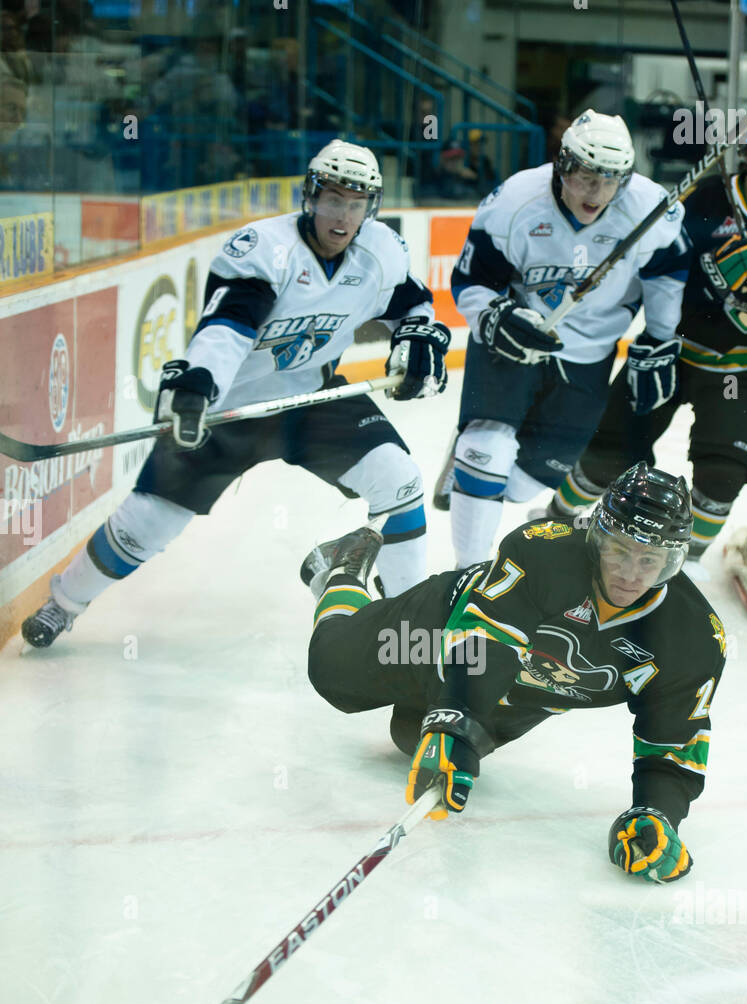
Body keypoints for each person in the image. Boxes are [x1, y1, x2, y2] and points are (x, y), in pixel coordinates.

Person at [21, 140, 451, 648]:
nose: (343, 217)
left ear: (370, 209)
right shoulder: (266, 249)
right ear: (311, 196)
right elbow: (229, 325)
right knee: (148, 522)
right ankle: (64, 603)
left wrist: (418, 339)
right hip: (230, 408)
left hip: (311, 398)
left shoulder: (379, 250)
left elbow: (414, 303)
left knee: (399, 481)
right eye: (334, 200)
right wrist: (200, 383)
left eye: (356, 205)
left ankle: (410, 628)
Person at [303, 463, 726, 885]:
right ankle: (344, 571)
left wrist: (657, 812)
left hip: (517, 697)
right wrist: (456, 718)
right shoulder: (544, 552)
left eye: (649, 559)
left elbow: (672, 745)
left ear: (672, 560)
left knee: (410, 735)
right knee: (330, 672)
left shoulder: (691, 638)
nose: (630, 573)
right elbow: (488, 644)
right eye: (619, 550)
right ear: (598, 536)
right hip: (438, 630)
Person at [540, 106, 747, 561]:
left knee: (723, 476)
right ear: (746, 150)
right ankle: (553, 525)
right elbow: (657, 273)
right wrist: (710, 278)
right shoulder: (703, 201)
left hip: (742, 372)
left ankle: (681, 567)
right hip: (672, 354)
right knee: (605, 455)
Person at [436, 109, 691, 568]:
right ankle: (466, 573)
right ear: (563, 166)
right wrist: (494, 315)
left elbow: (669, 273)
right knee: (487, 447)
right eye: (587, 177)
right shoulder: (515, 200)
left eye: (610, 180)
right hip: (516, 339)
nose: (596, 193)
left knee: (538, 475)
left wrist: (659, 337)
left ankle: (469, 473)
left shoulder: (651, 210)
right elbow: (471, 279)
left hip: (590, 352)